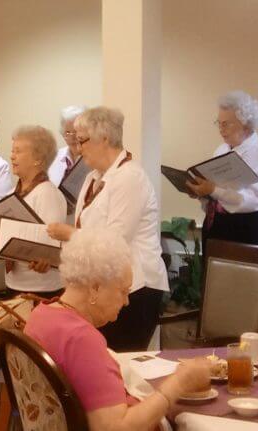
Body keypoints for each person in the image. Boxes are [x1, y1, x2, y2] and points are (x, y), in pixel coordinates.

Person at [25, 228, 211, 431]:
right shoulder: (81, 338)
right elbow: (115, 428)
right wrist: (179, 384)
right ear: (95, 287)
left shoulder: (40, 316)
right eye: (123, 291)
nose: (127, 301)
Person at [47, 107, 168, 352]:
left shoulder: (130, 177)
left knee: (122, 358)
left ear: (104, 138)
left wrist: (69, 234)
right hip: (104, 285)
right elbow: (88, 225)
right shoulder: (93, 177)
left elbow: (115, 240)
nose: (78, 148)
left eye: (82, 140)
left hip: (136, 287)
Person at [0, 125, 67, 297]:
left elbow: (48, 246)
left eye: (18, 151)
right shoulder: (13, 193)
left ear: (38, 159)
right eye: (12, 150)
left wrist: (1, 246)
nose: (12, 156)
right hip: (14, 283)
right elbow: (11, 238)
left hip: (41, 289)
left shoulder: (47, 193)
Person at [186, 90, 258, 251]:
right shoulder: (221, 150)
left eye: (226, 123)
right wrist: (202, 193)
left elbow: (254, 200)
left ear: (246, 124)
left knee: (247, 275)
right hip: (217, 226)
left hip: (250, 229)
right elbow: (215, 194)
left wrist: (213, 190)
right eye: (219, 123)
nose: (221, 129)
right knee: (215, 275)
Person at [48, 105, 86, 186]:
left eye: (76, 131)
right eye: (67, 132)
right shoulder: (53, 158)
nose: (72, 137)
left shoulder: (95, 159)